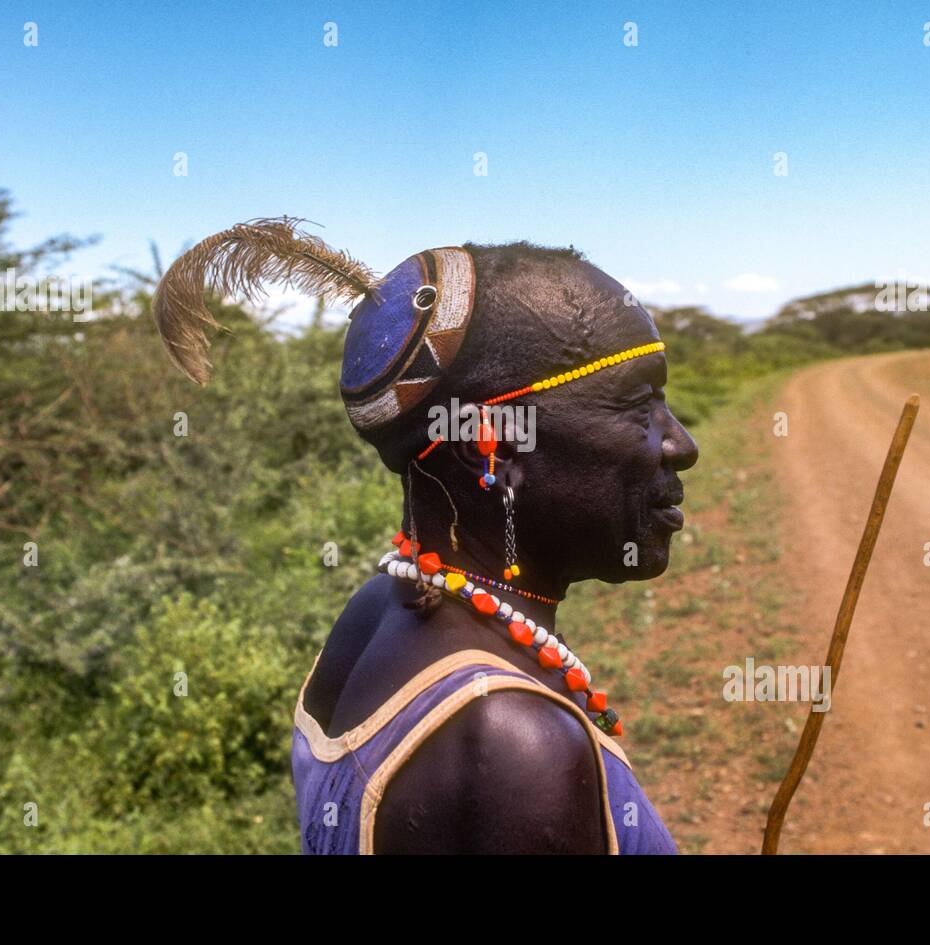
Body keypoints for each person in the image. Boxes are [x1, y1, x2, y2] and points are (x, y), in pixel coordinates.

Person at [154, 219, 698, 854]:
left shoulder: (375, 610)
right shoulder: (513, 741)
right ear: (492, 445)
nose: (680, 444)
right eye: (639, 406)